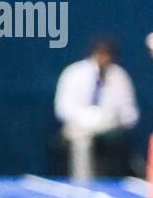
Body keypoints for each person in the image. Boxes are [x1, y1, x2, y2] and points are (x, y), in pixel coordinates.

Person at [54, 36, 139, 180]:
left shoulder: (119, 75)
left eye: (107, 55)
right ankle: (83, 182)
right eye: (100, 55)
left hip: (109, 126)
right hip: (79, 125)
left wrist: (119, 121)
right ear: (93, 54)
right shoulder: (74, 73)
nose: (103, 59)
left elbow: (130, 112)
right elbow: (62, 108)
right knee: (82, 139)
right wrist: (85, 117)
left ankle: (114, 181)